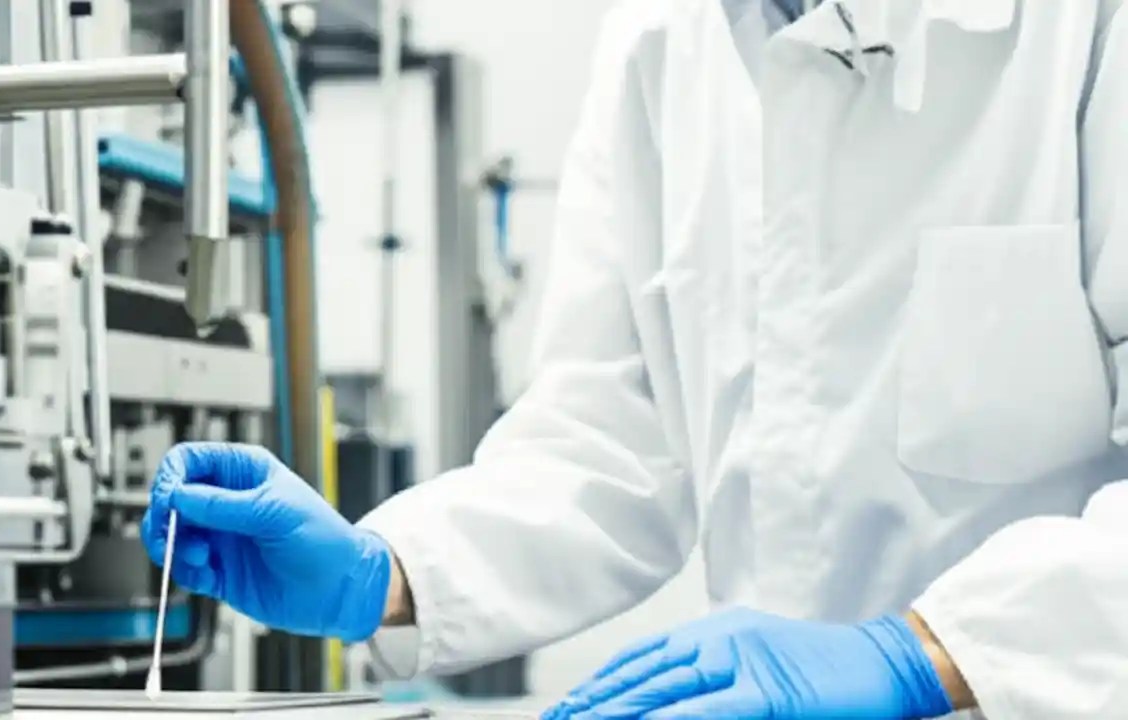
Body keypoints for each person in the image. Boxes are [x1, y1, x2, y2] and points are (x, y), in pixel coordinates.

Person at [142, 0, 1128, 716]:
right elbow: (607, 438)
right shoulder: (660, 37)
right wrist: (386, 571)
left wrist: (925, 653)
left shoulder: (1084, 32)